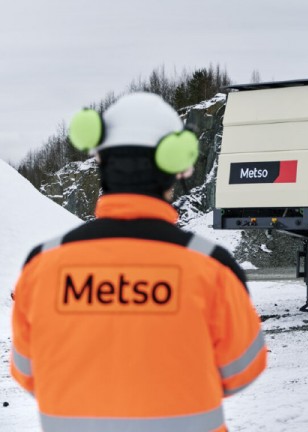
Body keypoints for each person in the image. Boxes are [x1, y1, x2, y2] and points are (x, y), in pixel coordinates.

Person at [10, 92, 267, 432]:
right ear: (176, 164)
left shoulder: (43, 265)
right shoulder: (210, 268)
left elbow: (27, 372)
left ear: (100, 161)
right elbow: (242, 369)